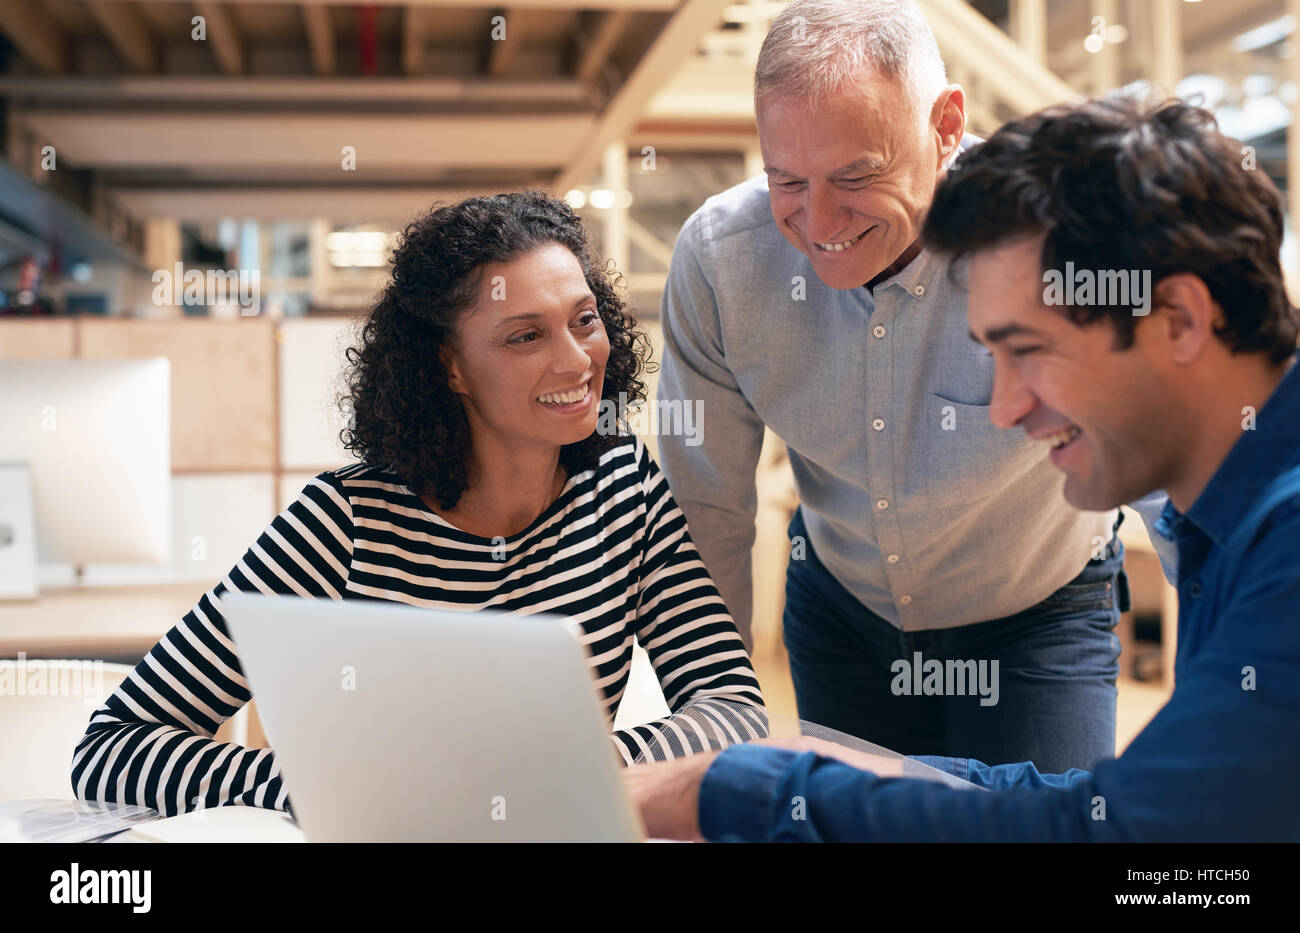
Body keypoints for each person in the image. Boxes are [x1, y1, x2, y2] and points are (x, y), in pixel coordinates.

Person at [626, 96, 1300, 842]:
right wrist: (786, 770)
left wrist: (755, 794)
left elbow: (1142, 853)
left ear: (1176, 319)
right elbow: (1124, 809)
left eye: (1030, 350)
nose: (1004, 409)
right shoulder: (1236, 523)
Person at [71, 190, 766, 818]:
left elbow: (734, 708)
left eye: (583, 319)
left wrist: (562, 772)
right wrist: (331, 780)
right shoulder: (344, 521)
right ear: (449, 367)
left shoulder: (625, 488)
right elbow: (110, 750)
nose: (576, 359)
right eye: (525, 335)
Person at [655, 0, 1174, 774]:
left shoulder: (1055, 238)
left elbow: (1171, 474)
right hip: (843, 614)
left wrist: (1241, 679)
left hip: (1038, 615)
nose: (819, 221)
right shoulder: (723, 263)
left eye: (857, 175)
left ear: (946, 126)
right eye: (787, 179)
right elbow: (705, 510)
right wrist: (713, 722)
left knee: (1034, 832)